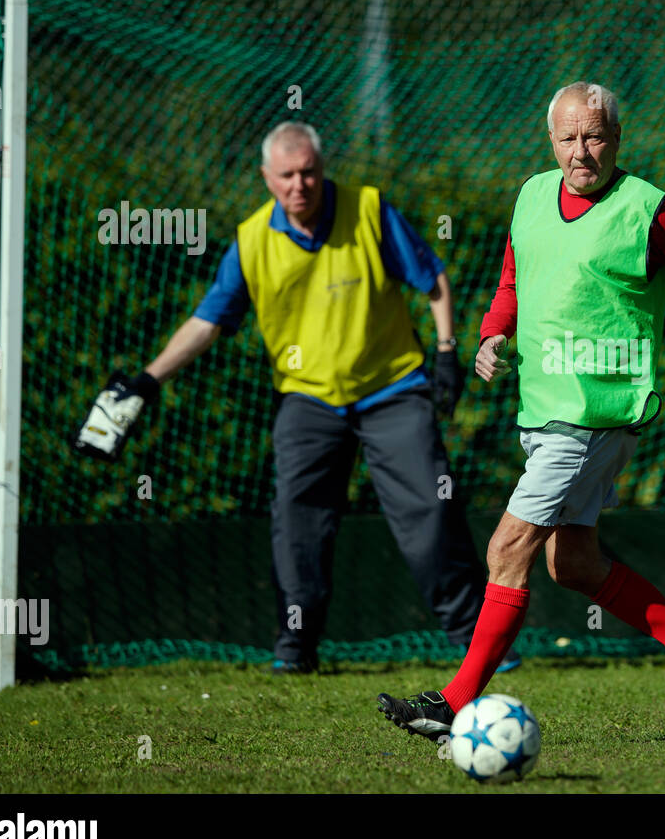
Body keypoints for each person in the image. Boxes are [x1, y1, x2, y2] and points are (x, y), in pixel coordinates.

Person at [377, 82, 665, 741]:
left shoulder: (647, 210)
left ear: (616, 140)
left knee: (506, 546)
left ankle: (454, 704)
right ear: (552, 141)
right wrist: (492, 332)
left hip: (596, 413)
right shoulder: (531, 196)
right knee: (570, 563)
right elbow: (516, 279)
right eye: (570, 137)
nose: (582, 151)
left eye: (595, 136)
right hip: (547, 412)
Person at [105, 121, 516, 674]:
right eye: (287, 176)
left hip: (392, 387)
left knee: (429, 508)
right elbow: (208, 321)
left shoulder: (368, 209)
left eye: (309, 172)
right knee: (297, 520)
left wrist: (445, 351)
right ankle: (296, 646)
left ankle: (476, 642)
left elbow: (433, 278)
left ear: (322, 170)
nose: (300, 185)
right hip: (309, 400)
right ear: (266, 179)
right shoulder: (252, 240)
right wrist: (146, 381)